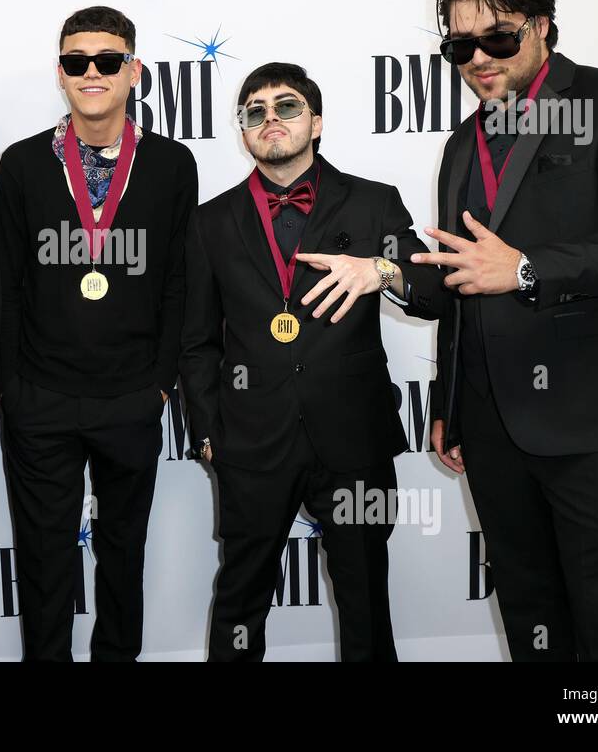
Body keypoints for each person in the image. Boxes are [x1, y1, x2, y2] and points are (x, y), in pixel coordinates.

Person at [413, 0, 598, 661]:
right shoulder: (460, 143)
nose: (477, 58)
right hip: (495, 424)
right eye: (459, 45)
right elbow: (464, 278)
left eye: (498, 37)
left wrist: (528, 269)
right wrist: (451, 402)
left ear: (541, 27)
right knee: (532, 619)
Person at [180, 62, 447, 661]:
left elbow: (431, 295)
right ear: (244, 131)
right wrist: (207, 435)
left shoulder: (373, 203)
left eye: (287, 106)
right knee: (240, 598)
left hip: (354, 437)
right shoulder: (210, 221)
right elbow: (196, 342)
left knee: (364, 598)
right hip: (250, 443)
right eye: (256, 111)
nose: (270, 118)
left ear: (317, 122)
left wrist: (379, 271)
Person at [0, 5, 198, 661]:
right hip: (40, 398)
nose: (92, 72)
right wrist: (12, 388)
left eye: (108, 61)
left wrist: (161, 386)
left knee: (122, 555)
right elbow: (6, 282)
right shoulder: (23, 164)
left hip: (130, 398)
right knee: (44, 558)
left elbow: (177, 282)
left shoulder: (170, 163)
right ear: (61, 72)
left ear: (133, 71)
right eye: (77, 61)